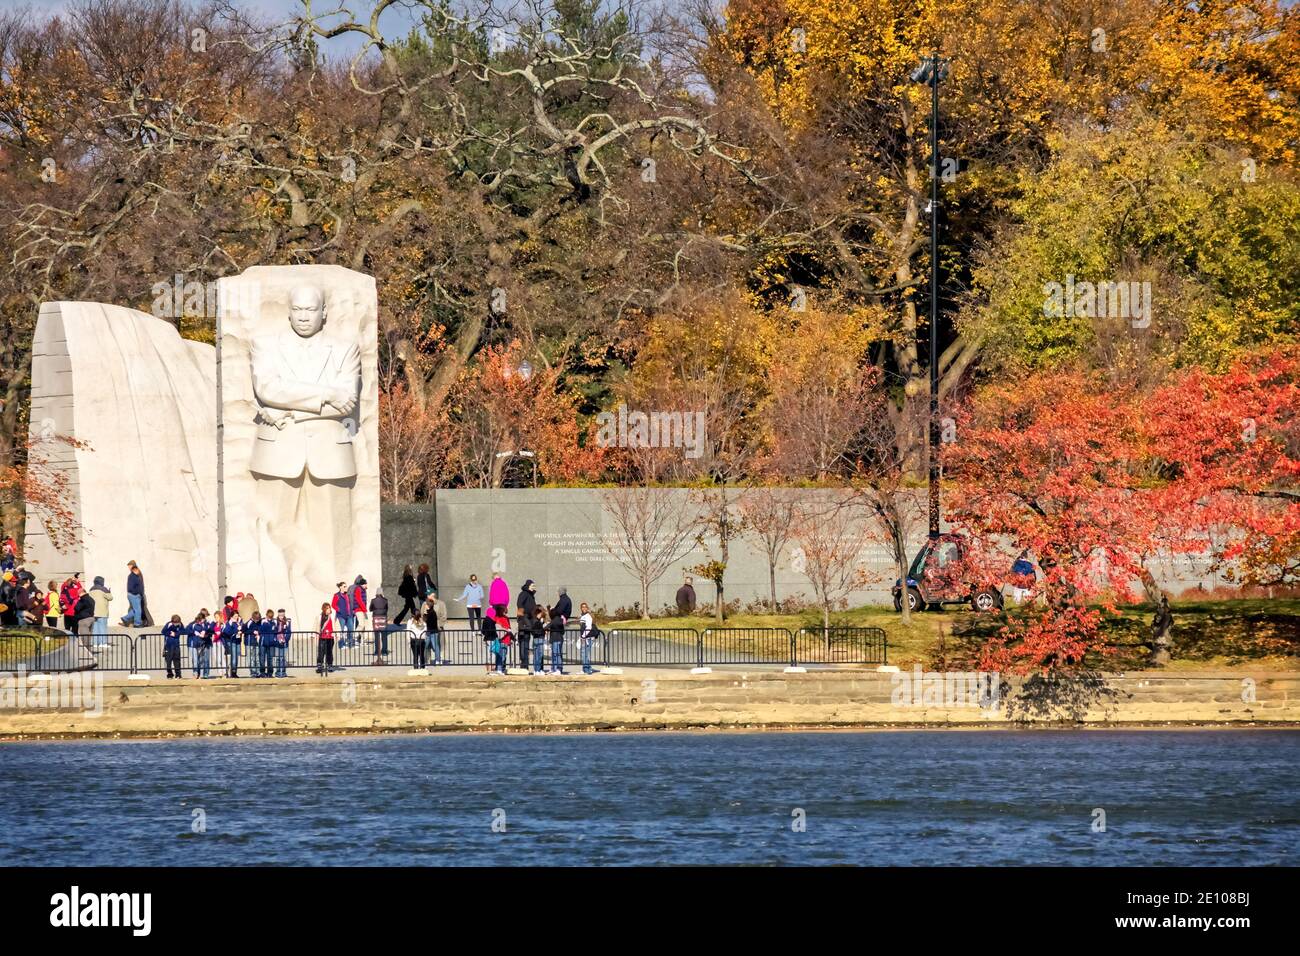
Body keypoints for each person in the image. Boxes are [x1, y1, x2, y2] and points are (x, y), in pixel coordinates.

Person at [516, 579, 537, 671]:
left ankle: (526, 665)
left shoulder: (531, 595)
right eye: (532, 585)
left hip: (529, 621)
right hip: (524, 622)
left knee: (526, 644)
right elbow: (519, 605)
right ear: (528, 586)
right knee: (523, 644)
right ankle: (523, 664)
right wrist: (524, 616)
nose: (534, 587)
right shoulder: (524, 594)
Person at [87, 576, 113, 649]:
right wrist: (109, 591)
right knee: (103, 628)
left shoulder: (91, 589)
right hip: (102, 612)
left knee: (95, 628)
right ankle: (103, 643)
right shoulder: (104, 589)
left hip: (93, 612)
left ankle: (95, 643)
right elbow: (110, 598)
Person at [331, 581, 356, 648]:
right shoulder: (336, 595)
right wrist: (339, 610)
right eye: (344, 586)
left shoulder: (348, 595)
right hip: (341, 616)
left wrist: (353, 610)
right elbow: (333, 605)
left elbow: (351, 603)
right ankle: (341, 644)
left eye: (346, 586)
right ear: (340, 587)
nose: (346, 588)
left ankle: (350, 644)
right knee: (341, 630)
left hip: (349, 615)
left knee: (351, 629)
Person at [121, 560, 145, 627]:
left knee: (135, 609)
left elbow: (139, 585)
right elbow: (131, 588)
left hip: (134, 595)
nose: (129, 567)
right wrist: (138, 593)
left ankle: (125, 618)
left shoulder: (135, 575)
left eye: (129, 566)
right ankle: (137, 623)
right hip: (134, 595)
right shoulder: (132, 576)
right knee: (138, 610)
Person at [187, 610, 211, 679]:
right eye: (203, 619)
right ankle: (195, 673)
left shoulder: (205, 624)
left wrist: (205, 633)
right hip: (193, 644)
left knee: (201, 660)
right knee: (195, 660)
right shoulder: (193, 624)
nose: (204, 620)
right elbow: (187, 630)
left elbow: (209, 629)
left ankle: (200, 674)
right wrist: (195, 632)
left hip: (201, 643)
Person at [161, 615, 185, 679]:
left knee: (177, 659)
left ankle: (178, 674)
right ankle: (170, 674)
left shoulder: (180, 624)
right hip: (168, 645)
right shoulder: (169, 624)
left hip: (176, 645)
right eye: (175, 623)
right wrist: (170, 633)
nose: (176, 624)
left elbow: (183, 631)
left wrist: (176, 634)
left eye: (177, 622)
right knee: (168, 660)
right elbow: (163, 631)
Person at [370, 588, 390, 663]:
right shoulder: (386, 600)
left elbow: (370, 609)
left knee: (376, 636)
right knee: (384, 636)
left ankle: (376, 651)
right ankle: (384, 651)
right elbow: (387, 609)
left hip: (376, 618)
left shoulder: (373, 600)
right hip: (383, 618)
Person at [578, 602, 598, 675]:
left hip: (588, 638)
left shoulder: (588, 616)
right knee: (584, 653)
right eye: (582, 607)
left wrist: (583, 636)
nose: (583, 608)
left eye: (585, 607)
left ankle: (587, 670)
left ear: (587, 608)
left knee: (584, 654)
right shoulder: (582, 616)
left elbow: (588, 627)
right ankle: (585, 669)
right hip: (585, 637)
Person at [222, 611, 243, 677]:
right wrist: (236, 631)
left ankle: (234, 671)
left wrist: (240, 628)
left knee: (236, 657)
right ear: (231, 616)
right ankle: (232, 672)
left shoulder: (238, 622)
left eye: (237, 616)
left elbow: (242, 628)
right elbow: (228, 631)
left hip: (237, 641)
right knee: (233, 657)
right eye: (235, 616)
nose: (236, 618)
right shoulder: (229, 622)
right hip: (232, 641)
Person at [315, 604, 335, 674]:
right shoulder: (319, 617)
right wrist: (314, 634)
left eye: (329, 608)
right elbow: (316, 625)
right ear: (324, 609)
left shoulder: (332, 616)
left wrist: (336, 634)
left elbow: (336, 625)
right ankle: (320, 666)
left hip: (330, 637)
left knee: (329, 652)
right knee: (321, 652)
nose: (329, 610)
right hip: (322, 637)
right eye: (327, 608)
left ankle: (329, 665)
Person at [547, 605, 567, 675]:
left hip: (555, 639)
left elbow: (547, 626)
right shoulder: (559, 620)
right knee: (557, 654)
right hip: (559, 638)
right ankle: (556, 668)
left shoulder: (554, 620)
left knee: (555, 654)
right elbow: (563, 631)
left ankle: (557, 668)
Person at [423, 594, 441, 666]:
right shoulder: (431, 612)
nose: (425, 605)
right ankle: (435, 660)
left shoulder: (431, 613)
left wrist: (425, 613)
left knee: (434, 646)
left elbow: (426, 620)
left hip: (431, 631)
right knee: (428, 646)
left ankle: (437, 660)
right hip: (431, 631)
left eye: (426, 604)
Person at [258, 612, 278, 678]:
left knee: (270, 658)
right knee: (262, 658)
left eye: (271, 617)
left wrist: (274, 639)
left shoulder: (274, 623)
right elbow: (260, 630)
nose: (269, 618)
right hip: (263, 642)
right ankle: (262, 672)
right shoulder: (263, 622)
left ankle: (270, 673)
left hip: (271, 642)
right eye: (269, 616)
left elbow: (275, 631)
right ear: (266, 616)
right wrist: (266, 624)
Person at [243, 611, 263, 677]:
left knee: (257, 657)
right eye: (256, 619)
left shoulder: (260, 622)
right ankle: (253, 672)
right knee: (251, 658)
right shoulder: (249, 622)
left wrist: (258, 633)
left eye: (258, 619)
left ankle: (258, 672)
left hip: (256, 642)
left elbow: (261, 628)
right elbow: (244, 630)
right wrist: (252, 631)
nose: (257, 621)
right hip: (249, 642)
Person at [530, 606, 548, 676]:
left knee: (537, 655)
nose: (541, 615)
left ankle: (537, 669)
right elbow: (537, 630)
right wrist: (542, 630)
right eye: (540, 614)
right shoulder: (536, 621)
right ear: (538, 613)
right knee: (539, 655)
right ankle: (537, 670)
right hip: (539, 638)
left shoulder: (535, 621)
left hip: (537, 638)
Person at [274, 609, 292, 677]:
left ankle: (283, 672)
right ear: (278, 614)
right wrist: (276, 639)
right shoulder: (275, 622)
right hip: (277, 642)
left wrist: (285, 639)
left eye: (282, 615)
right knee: (278, 658)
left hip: (284, 642)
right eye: (280, 615)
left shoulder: (287, 622)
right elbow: (274, 632)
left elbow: (289, 632)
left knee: (283, 658)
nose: (281, 616)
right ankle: (278, 672)